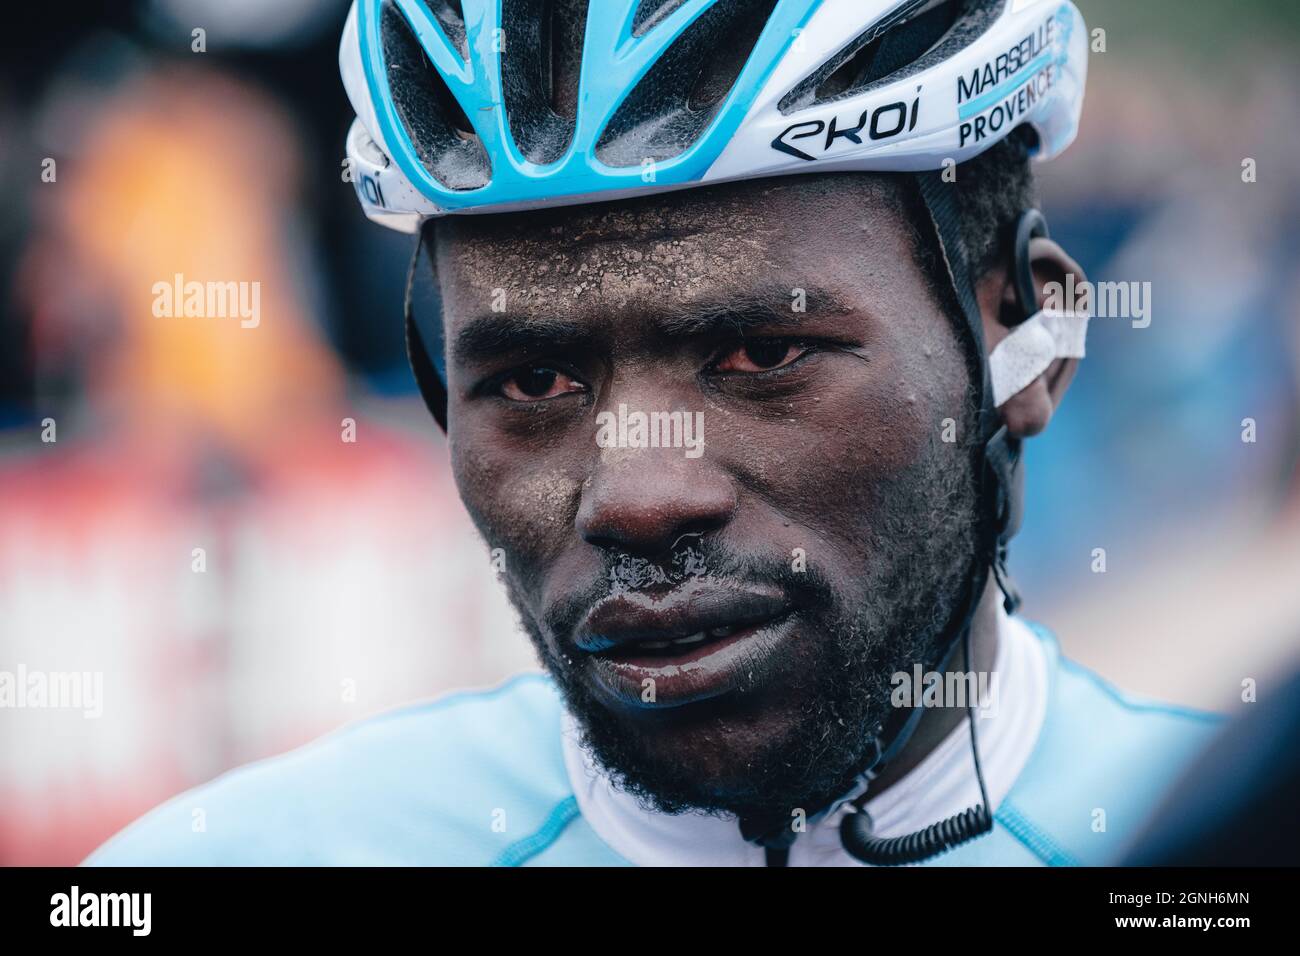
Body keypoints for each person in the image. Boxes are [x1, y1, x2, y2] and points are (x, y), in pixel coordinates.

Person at [87, 0, 1222, 867]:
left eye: (763, 356)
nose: (634, 495)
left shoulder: (1216, 840)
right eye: (531, 379)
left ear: (1029, 343)